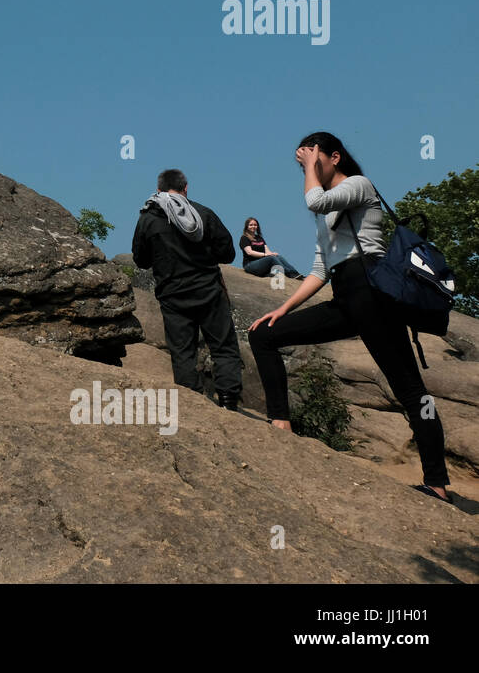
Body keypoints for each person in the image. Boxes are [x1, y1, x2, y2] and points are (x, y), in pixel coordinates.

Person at [247, 132, 450, 501]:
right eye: (303, 165)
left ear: (335, 157)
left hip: (371, 292)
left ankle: (436, 484)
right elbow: (321, 268)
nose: (308, 169)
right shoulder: (327, 213)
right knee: (264, 335)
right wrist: (283, 308)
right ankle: (281, 423)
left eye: (314, 160)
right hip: (345, 296)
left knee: (409, 390)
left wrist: (309, 167)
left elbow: (315, 201)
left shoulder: (359, 185)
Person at [132, 169, 244, 410]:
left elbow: (141, 260)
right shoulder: (202, 213)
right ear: (186, 188)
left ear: (159, 189)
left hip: (173, 296)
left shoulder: (148, 218)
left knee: (183, 351)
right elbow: (228, 253)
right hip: (209, 291)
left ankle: (191, 403)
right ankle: (228, 401)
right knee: (223, 346)